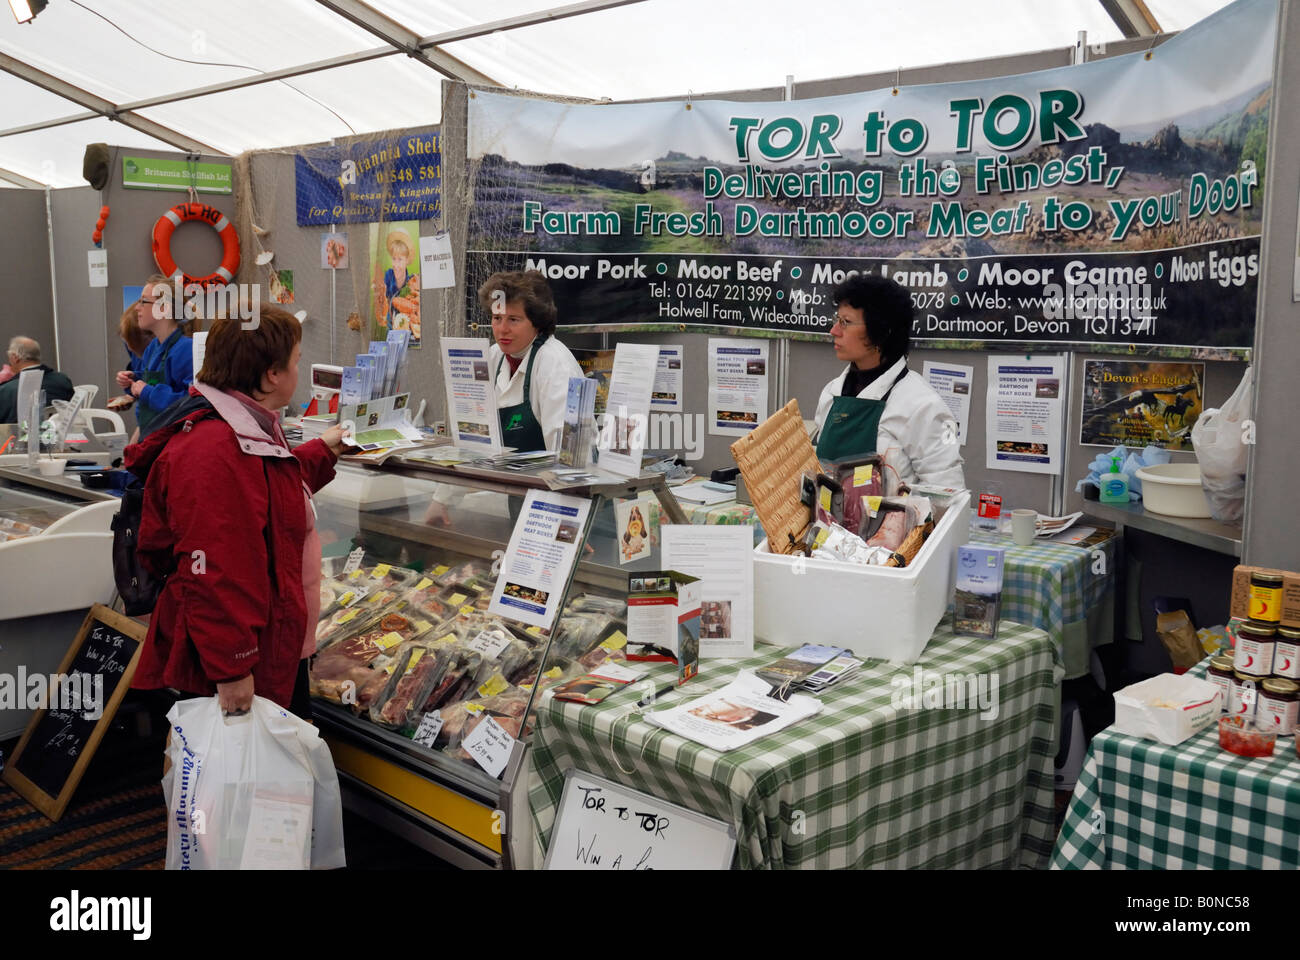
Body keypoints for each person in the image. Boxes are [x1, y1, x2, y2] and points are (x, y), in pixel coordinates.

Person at [126, 304, 349, 718]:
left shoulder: (242, 425)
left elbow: (264, 494)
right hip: (245, 660)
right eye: (296, 361)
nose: (298, 372)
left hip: (270, 642)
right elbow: (214, 568)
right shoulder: (213, 448)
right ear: (272, 373)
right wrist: (232, 667)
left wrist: (320, 453)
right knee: (245, 778)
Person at [425, 270, 583, 525]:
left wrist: (568, 521)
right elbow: (474, 437)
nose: (502, 329)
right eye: (496, 318)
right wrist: (441, 500)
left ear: (538, 322)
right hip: (523, 495)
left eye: (514, 319)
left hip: (566, 501)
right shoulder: (493, 357)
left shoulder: (554, 364)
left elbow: (567, 455)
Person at [812, 275, 964, 489]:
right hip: (827, 521)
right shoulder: (831, 394)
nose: (834, 330)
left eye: (845, 322)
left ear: (881, 332)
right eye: (837, 320)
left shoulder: (924, 406)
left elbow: (948, 493)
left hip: (893, 523)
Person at [116, 275, 195, 435]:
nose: (137, 308)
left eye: (144, 301)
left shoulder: (186, 350)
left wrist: (149, 392)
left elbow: (193, 402)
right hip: (150, 437)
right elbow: (148, 382)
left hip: (171, 441)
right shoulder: (153, 347)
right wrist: (132, 381)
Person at [0, 336, 74, 423]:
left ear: (15, 358)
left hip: (19, 436)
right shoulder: (63, 380)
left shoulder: (6, 391)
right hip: (60, 434)